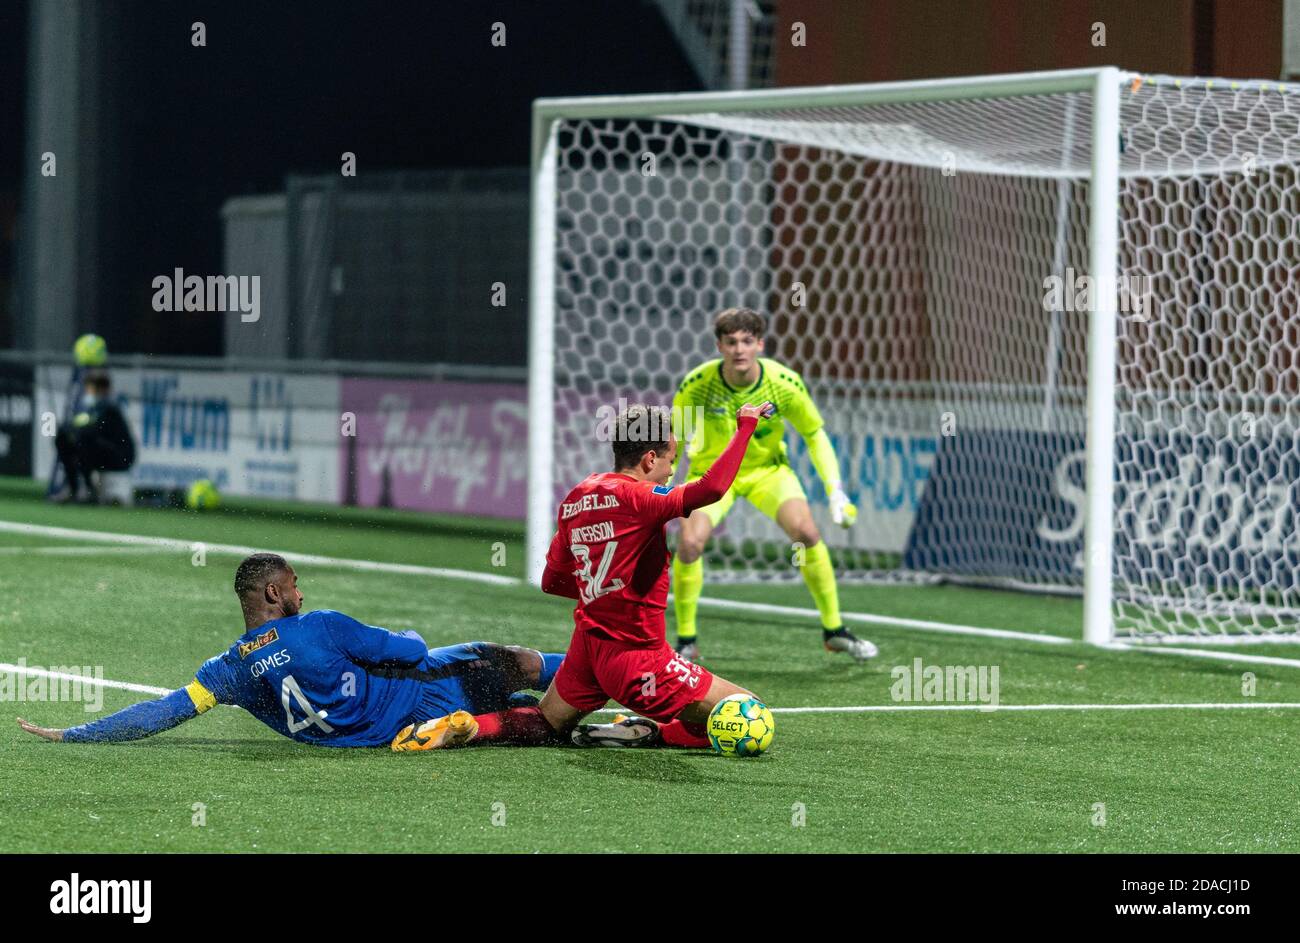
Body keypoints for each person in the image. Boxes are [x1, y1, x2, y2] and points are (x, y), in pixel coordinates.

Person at [389, 402, 770, 752]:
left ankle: (470, 727)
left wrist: (602, 591)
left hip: (588, 650)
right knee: (747, 713)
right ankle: (652, 731)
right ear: (650, 457)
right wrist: (745, 427)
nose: (672, 470)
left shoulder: (577, 497)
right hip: (640, 659)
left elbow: (552, 581)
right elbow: (713, 489)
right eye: (671, 460)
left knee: (545, 721)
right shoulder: (641, 499)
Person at [17, 553, 564, 749]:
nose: (302, 592)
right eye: (295, 584)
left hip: (357, 743)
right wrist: (411, 636)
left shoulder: (229, 670)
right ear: (274, 593)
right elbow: (414, 652)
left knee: (518, 713)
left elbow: (165, 710)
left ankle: (532, 723)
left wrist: (77, 733)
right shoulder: (321, 626)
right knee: (505, 659)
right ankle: (602, 678)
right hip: (412, 701)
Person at [669, 307, 877, 662]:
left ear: (760, 344)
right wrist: (660, 494)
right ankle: (686, 640)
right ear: (719, 345)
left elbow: (814, 434)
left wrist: (835, 490)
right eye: (731, 341)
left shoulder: (783, 384)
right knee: (689, 543)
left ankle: (834, 630)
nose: (739, 349)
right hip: (711, 474)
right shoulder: (697, 384)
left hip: (768, 472)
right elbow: (674, 439)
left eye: (747, 341)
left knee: (807, 534)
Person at [51, 371, 135, 504]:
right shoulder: (92, 407)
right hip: (102, 451)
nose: (88, 392)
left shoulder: (109, 406)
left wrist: (73, 432)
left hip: (120, 456)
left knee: (83, 442)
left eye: (90, 389)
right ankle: (73, 488)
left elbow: (93, 431)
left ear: (102, 389)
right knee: (63, 439)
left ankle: (89, 490)